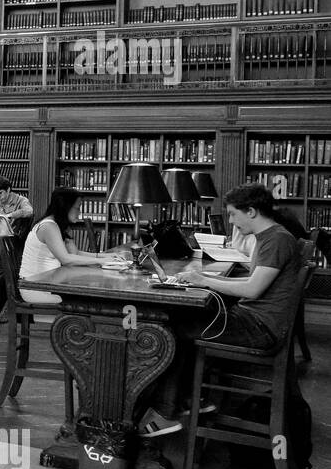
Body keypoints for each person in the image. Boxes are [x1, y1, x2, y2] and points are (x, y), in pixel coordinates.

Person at [147, 184, 310, 437]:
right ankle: (193, 399)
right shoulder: (270, 237)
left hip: (259, 328)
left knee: (172, 330)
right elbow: (250, 283)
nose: (231, 221)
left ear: (252, 211)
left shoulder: (277, 239)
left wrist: (205, 281)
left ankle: (164, 412)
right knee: (183, 320)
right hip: (256, 321)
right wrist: (203, 278)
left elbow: (253, 289)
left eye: (234, 214)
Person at [17, 188, 122, 320]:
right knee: (84, 299)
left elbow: (75, 253)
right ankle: (74, 333)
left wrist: (105, 257)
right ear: (65, 207)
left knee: (86, 294)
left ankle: (77, 332)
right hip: (35, 287)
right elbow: (66, 259)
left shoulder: (60, 225)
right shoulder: (49, 227)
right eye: (77, 208)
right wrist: (101, 262)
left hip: (50, 282)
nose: (79, 212)